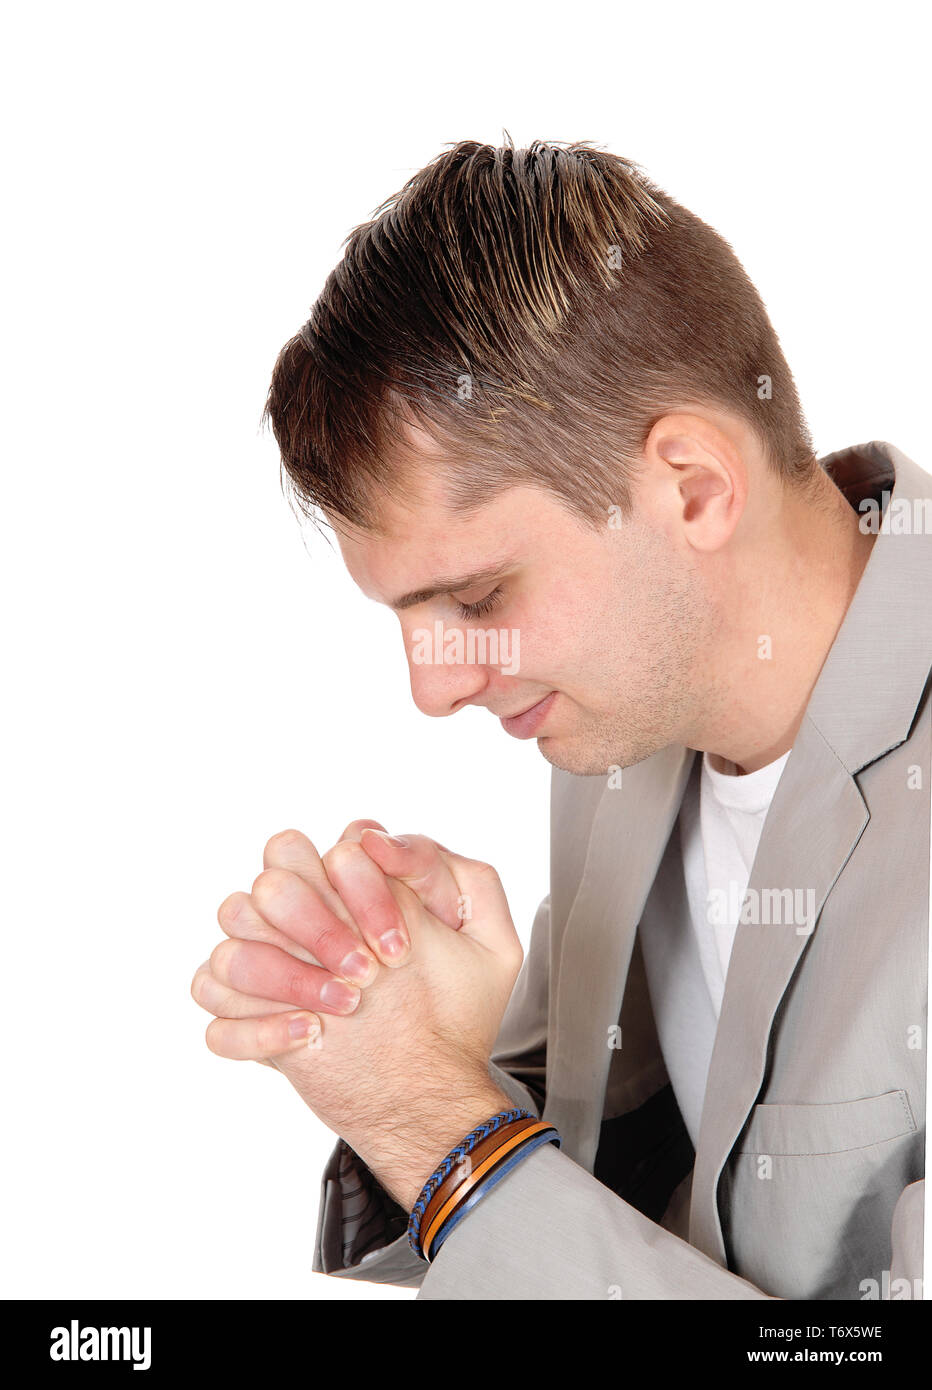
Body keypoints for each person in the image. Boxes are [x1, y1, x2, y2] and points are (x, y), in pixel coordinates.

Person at [190, 138, 928, 1299]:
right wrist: (437, 1046)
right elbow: (643, 1182)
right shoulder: (627, 719)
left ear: (691, 486)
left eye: (477, 597)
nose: (432, 688)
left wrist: (443, 1133)